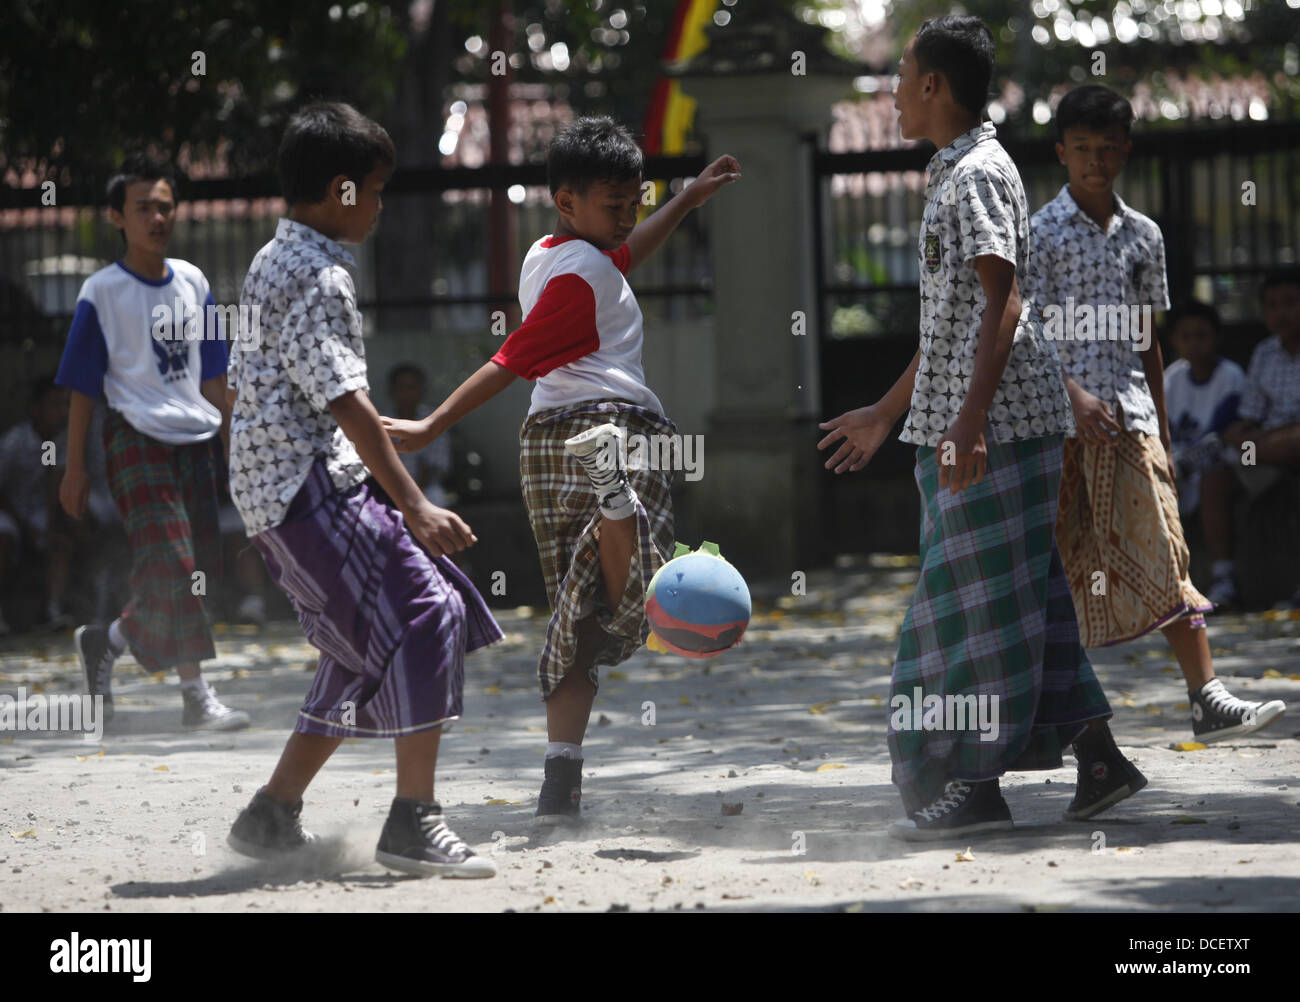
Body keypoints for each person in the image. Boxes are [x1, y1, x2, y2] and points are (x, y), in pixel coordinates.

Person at [383, 116, 740, 827]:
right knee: (634, 602)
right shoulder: (582, 277)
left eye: (635, 199)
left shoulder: (552, 255)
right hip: (619, 428)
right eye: (616, 204)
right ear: (566, 200)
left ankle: (559, 784)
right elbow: (511, 359)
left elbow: (626, 252)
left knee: (576, 621)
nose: (629, 214)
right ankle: (617, 507)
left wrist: (685, 200)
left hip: (546, 443)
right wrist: (429, 426)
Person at [819, 16, 1122, 839]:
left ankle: (971, 785)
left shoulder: (976, 173)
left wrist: (971, 421)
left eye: (901, 77)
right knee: (1027, 599)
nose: (890, 94)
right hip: (980, 426)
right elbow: (953, 325)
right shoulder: (954, 170)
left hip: (998, 432)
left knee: (960, 614)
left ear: (933, 87)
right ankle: (1099, 760)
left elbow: (1005, 301)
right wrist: (889, 412)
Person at [224, 102, 502, 878]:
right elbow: (342, 401)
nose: (380, 207)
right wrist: (413, 501)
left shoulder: (272, 257)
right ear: (343, 192)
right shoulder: (320, 277)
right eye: (375, 191)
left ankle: (271, 815)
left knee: (358, 649)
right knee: (424, 610)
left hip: (282, 490)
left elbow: (293, 388)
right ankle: (414, 821)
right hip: (307, 489)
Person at [1030, 84, 1285, 744]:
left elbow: (1148, 339)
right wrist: (1071, 396)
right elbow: (1023, 333)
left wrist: (1164, 435)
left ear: (1125, 152)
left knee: (1168, 553)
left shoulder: (1145, 236)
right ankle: (1057, 721)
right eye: (1081, 148)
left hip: (1133, 423)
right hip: (1056, 428)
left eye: (1107, 149)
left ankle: (1206, 695)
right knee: (1056, 571)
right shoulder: (1040, 234)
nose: (1094, 160)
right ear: (1061, 152)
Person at [54, 154, 249, 731]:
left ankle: (106, 641)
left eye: (165, 205)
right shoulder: (102, 290)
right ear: (117, 216)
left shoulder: (195, 281)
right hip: (134, 435)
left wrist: (235, 444)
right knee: (172, 561)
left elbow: (216, 375)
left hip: (197, 437)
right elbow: (82, 387)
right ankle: (196, 694)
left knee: (195, 572)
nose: (157, 216)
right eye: (143, 207)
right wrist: (72, 468)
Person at [1216, 268, 1300, 607]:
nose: (1280, 313)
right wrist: (1242, 436)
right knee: (1215, 480)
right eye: (1271, 305)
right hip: (1266, 447)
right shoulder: (1264, 353)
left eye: (1290, 303)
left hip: (1289, 441)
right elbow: (1248, 419)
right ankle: (1223, 580)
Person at [1161, 301, 1244, 604]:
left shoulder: (1231, 376)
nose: (1194, 344)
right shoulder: (1171, 378)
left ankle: (1223, 578)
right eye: (1186, 336)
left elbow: (1223, 433)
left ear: (1216, 337)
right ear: (1174, 340)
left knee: (1211, 477)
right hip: (1179, 463)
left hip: (1215, 462)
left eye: (1202, 335)